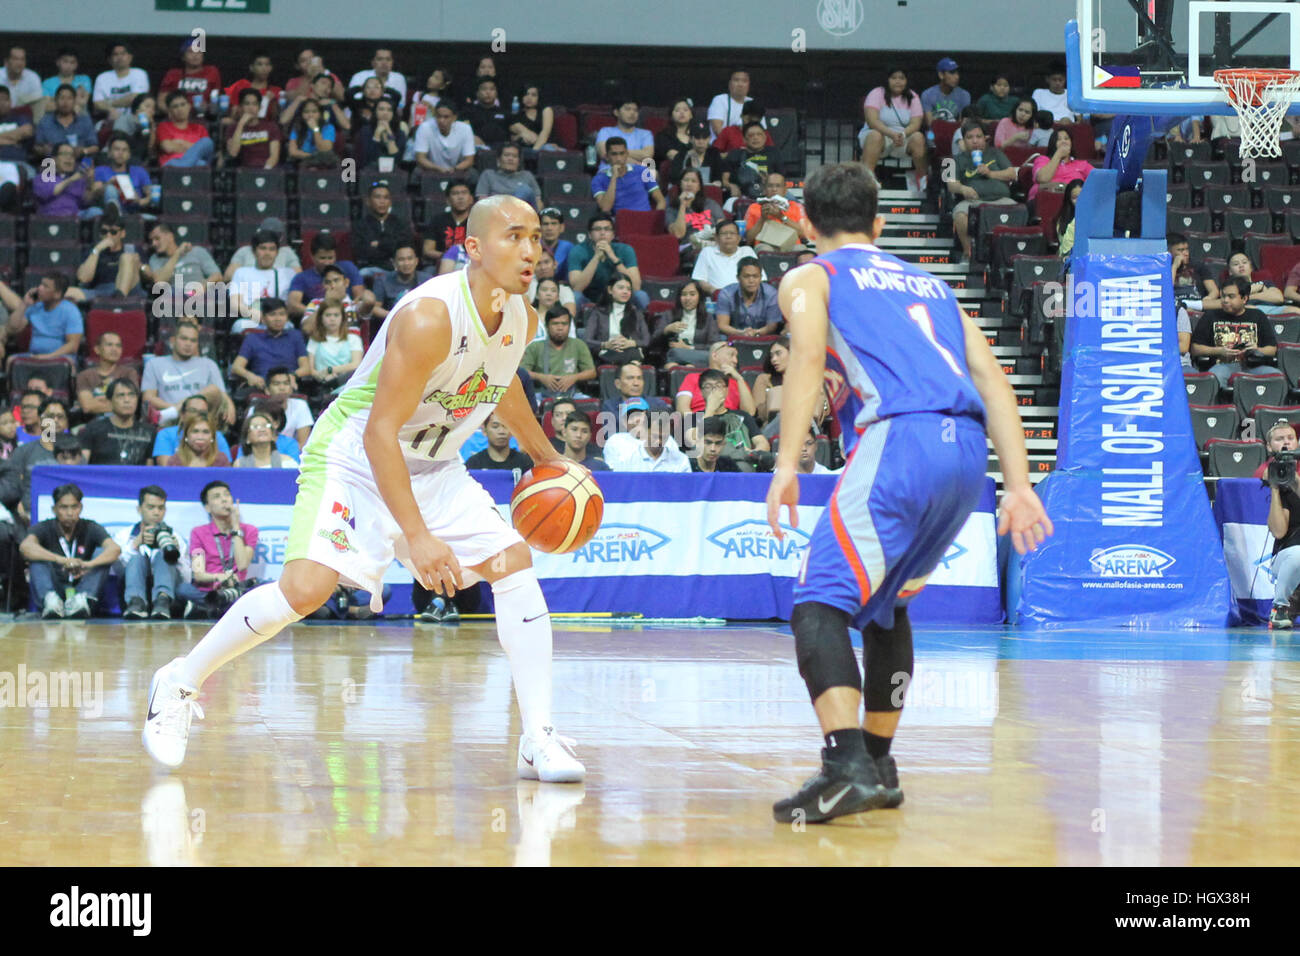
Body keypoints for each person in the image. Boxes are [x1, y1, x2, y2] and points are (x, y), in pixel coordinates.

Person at [142, 195, 588, 786]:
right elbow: (380, 432)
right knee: (304, 591)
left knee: (514, 564)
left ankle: (537, 737)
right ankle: (179, 680)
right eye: (514, 237)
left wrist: (550, 459)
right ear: (473, 248)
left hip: (434, 462)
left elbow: (498, 384)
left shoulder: (523, 315)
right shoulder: (429, 317)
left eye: (537, 237)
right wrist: (418, 538)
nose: (532, 251)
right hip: (355, 456)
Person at [761, 162, 1053, 823]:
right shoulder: (935, 286)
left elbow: (806, 357)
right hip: (966, 458)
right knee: (888, 608)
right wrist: (1019, 486)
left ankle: (844, 765)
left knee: (817, 603)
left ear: (805, 224)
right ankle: (879, 762)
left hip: (900, 440)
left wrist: (786, 463)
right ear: (881, 223)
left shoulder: (810, 276)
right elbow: (997, 385)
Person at [21, 482, 120, 619]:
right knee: (36, 557)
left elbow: (115, 549)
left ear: (80, 507)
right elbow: (25, 547)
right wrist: (60, 560)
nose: (69, 513)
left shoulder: (91, 527)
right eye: (64, 507)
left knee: (103, 555)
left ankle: (81, 600)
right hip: (54, 589)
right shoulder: (44, 527)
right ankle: (51, 602)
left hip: (82, 587)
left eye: (74, 507)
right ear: (54, 509)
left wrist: (87, 564)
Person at [174, 480, 259, 620]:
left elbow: (243, 564)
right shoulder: (198, 532)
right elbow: (198, 574)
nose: (224, 499)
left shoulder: (250, 530)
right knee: (183, 589)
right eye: (217, 497)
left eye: (227, 495)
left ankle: (208, 609)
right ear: (207, 507)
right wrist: (220, 577)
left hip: (237, 589)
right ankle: (222, 607)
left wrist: (236, 527)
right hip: (209, 591)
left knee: (263, 586)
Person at [1190, 276, 1284, 392]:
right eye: (1223, 296)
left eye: (1231, 296)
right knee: (1214, 376)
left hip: (1253, 365)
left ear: (1244, 299)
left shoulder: (1258, 316)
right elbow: (1195, 348)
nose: (1225, 300)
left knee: (1276, 376)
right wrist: (1219, 351)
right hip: (1223, 366)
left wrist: (1257, 350)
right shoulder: (1210, 316)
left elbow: (1272, 349)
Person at [141, 319, 235, 427]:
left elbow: (220, 394)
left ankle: (172, 413)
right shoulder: (155, 364)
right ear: (173, 340)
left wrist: (230, 406)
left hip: (201, 421)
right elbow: (148, 398)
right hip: (170, 422)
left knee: (213, 389)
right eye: (184, 339)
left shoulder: (209, 364)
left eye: (193, 340)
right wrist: (180, 410)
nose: (188, 344)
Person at [947, 121, 1019, 262]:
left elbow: (1012, 173)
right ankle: (968, 253)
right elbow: (951, 184)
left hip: (1001, 200)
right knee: (960, 215)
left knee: (1019, 211)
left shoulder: (996, 153)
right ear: (963, 140)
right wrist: (962, 188)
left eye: (978, 136)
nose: (975, 141)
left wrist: (991, 174)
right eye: (970, 137)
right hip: (972, 202)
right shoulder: (954, 160)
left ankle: (1010, 256)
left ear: (985, 138)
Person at [118, 485, 185, 620]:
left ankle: (162, 600)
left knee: (162, 556)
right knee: (137, 558)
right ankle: (136, 601)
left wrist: (176, 556)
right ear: (139, 509)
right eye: (151, 507)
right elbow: (117, 570)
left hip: (168, 596)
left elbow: (186, 577)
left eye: (160, 508)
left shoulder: (175, 537)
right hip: (132, 592)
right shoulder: (125, 535)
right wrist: (135, 545)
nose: (156, 512)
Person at [859, 68, 927, 198]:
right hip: (879, 136)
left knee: (918, 137)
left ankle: (923, 180)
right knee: (875, 135)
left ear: (906, 81)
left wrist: (902, 134)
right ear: (887, 80)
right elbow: (872, 120)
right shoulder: (876, 93)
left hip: (902, 137)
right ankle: (867, 180)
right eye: (894, 78)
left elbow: (916, 123)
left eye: (901, 78)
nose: (898, 81)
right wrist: (891, 134)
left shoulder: (913, 96)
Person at [567, 213, 648, 309]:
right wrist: (596, 257)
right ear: (589, 235)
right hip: (589, 298)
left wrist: (613, 257)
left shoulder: (625, 250)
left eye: (607, 229)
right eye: (597, 229)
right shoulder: (578, 250)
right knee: (575, 296)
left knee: (641, 295)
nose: (602, 233)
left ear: (613, 234)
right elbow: (577, 288)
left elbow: (635, 286)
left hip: (619, 297)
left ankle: (644, 323)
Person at [1, 271, 83, 363]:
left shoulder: (71, 311)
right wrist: (24, 304)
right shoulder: (35, 306)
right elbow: (12, 329)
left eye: (45, 286)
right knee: (11, 361)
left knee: (70, 364)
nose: (39, 288)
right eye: (40, 284)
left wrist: (47, 357)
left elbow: (73, 345)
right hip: (35, 356)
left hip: (60, 358)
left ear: (57, 294)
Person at [231, 301, 310, 391]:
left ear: (287, 318)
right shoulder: (252, 338)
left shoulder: (295, 336)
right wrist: (251, 376)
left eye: (282, 314)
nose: (278, 319)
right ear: (263, 319)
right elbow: (236, 367)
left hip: (288, 385)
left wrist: (292, 376)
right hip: (261, 385)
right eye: (272, 315)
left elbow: (306, 368)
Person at [522, 306, 597, 399]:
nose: (560, 328)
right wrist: (542, 377)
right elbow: (523, 372)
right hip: (542, 395)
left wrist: (574, 377)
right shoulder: (535, 346)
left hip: (572, 394)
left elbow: (591, 372)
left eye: (564, 324)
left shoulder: (579, 345)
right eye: (555, 323)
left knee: (588, 402)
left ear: (570, 326)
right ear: (547, 326)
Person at [80, 377, 154, 465]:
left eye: (131, 395)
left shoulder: (149, 431)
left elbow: (150, 470)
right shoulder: (93, 429)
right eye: (121, 395)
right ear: (109, 402)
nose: (127, 400)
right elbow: (82, 466)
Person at [229, 232, 298, 325]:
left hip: (281, 321)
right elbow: (235, 303)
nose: (267, 253)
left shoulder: (289, 273)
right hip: (251, 320)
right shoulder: (241, 272)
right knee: (239, 326)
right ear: (254, 251)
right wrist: (257, 315)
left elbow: (293, 303)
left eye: (272, 249)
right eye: (263, 248)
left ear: (277, 252)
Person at [1201, 251, 1298, 316]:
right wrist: (1258, 290)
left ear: (1250, 267)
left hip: (1271, 310)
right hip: (1247, 311)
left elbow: (1278, 298)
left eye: (1244, 262)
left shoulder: (1264, 282)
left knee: (1296, 311)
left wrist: (1244, 297)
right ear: (1230, 271)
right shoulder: (1229, 287)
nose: (1241, 265)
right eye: (1236, 264)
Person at [675, 340, 757, 416]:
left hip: (728, 423)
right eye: (731, 355)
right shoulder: (693, 378)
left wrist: (740, 379)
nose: (735, 361)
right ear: (714, 356)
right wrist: (697, 426)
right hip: (700, 419)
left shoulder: (739, 382)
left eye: (736, 357)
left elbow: (750, 413)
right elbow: (682, 408)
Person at [583, 275, 651, 366]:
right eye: (621, 288)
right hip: (607, 354)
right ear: (610, 290)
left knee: (631, 351)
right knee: (633, 356)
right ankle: (632, 364)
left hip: (630, 349)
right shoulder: (598, 313)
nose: (625, 292)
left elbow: (647, 340)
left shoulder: (636, 314)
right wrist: (606, 345)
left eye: (628, 289)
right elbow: (587, 340)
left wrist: (632, 343)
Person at [602, 403, 690, 473]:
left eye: (663, 437)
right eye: (655, 436)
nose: (659, 441)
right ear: (646, 430)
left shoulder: (681, 461)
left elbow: (687, 493)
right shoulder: (627, 460)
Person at [353, 180, 416, 275]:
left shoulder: (401, 223)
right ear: (368, 201)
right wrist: (390, 245)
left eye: (386, 198)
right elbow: (362, 252)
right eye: (377, 197)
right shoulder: (360, 225)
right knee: (362, 273)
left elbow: (405, 246)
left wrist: (378, 244)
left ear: (390, 202)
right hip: (371, 268)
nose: (382, 201)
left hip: (399, 267)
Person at [653, 279, 721, 367]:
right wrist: (666, 330)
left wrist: (690, 348)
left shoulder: (708, 318)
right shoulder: (669, 315)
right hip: (674, 359)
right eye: (684, 294)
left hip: (696, 358)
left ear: (699, 296)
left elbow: (714, 345)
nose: (687, 298)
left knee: (681, 358)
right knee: (673, 362)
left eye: (692, 294)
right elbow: (652, 342)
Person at [151, 394, 232, 464]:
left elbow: (228, 473)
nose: (197, 415)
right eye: (193, 410)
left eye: (202, 412)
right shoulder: (166, 434)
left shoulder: (217, 436)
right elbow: (167, 470)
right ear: (182, 415)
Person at [592, 137, 665, 214]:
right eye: (614, 154)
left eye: (622, 153)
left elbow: (661, 201)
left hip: (645, 219)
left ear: (627, 154)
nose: (619, 158)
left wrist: (655, 219)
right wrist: (614, 178)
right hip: (621, 222)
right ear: (607, 156)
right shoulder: (598, 179)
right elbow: (605, 208)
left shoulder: (643, 171)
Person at [691, 219, 763, 296]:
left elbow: (761, 279)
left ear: (739, 238)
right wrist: (717, 292)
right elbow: (701, 280)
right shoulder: (707, 252)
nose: (728, 236)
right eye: (724, 233)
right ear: (716, 238)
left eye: (732, 233)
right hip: (718, 298)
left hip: (746, 297)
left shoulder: (747, 251)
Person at [667, 169, 727, 260]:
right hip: (691, 248)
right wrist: (683, 205)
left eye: (693, 181)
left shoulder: (711, 204)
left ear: (699, 186)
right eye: (686, 180)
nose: (689, 184)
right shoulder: (672, 209)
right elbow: (678, 234)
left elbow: (723, 229)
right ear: (680, 184)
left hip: (713, 243)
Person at [31, 142, 103, 218]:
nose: (69, 158)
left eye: (72, 155)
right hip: (50, 218)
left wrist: (91, 184)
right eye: (65, 154)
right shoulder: (43, 177)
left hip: (74, 218)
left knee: (96, 211)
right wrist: (71, 180)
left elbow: (85, 202)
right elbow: (52, 191)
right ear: (54, 159)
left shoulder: (79, 180)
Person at [744, 172, 811, 251]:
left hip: (791, 245)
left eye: (778, 186)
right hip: (765, 245)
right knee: (764, 249)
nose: (774, 189)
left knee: (802, 250)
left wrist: (781, 216)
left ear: (785, 190)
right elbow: (748, 240)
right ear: (765, 189)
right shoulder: (753, 207)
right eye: (770, 186)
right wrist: (762, 218)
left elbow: (804, 234)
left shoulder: (796, 207)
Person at [716, 258, 782, 337]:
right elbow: (722, 325)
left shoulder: (772, 294)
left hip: (763, 339)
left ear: (761, 278)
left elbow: (771, 327)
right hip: (733, 338)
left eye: (755, 276)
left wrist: (755, 332)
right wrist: (740, 333)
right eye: (746, 276)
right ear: (738, 278)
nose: (751, 280)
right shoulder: (726, 294)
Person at [94, 133, 155, 214]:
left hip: (132, 213)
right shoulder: (99, 171)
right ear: (109, 153)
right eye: (117, 149)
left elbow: (150, 197)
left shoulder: (140, 172)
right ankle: (114, 216)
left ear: (129, 155)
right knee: (110, 190)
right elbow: (91, 196)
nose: (120, 153)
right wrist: (109, 184)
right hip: (106, 214)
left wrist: (139, 201)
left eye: (124, 150)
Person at [1028, 128, 1093, 203]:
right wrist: (1058, 155)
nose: (1063, 141)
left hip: (1073, 204)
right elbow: (1042, 178)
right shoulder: (1042, 160)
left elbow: (1099, 179)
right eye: (1059, 139)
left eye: (1066, 138)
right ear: (1053, 143)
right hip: (1044, 202)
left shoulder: (1082, 164)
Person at [413, 102, 476, 178]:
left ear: (454, 118)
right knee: (417, 172)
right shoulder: (425, 127)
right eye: (438, 116)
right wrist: (438, 169)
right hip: (431, 169)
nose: (441, 120)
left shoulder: (465, 129)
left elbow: (469, 160)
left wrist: (454, 169)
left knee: (473, 174)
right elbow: (420, 158)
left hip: (457, 170)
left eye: (446, 117)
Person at [34, 84, 97, 160]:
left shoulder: (85, 121)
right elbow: (37, 147)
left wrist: (83, 151)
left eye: (69, 98)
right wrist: (43, 150)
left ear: (75, 101)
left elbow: (95, 147)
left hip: (79, 162)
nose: (65, 102)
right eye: (62, 98)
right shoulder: (45, 121)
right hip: (52, 163)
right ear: (56, 101)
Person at [372, 244, 434, 321]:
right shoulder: (382, 280)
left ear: (416, 261)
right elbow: (375, 308)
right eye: (401, 259)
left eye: (410, 258)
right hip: (393, 323)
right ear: (394, 262)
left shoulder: (427, 279)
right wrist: (393, 316)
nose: (406, 263)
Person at [92, 41, 150, 121]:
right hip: (110, 120)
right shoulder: (102, 77)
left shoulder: (140, 73)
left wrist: (109, 103)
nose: (119, 57)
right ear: (109, 59)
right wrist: (110, 109)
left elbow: (136, 99)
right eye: (115, 54)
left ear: (130, 57)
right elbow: (97, 104)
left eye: (123, 54)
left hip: (136, 119)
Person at [422, 179, 474, 268]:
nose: (460, 197)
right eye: (455, 193)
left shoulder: (477, 221)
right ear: (448, 200)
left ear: (471, 199)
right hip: (441, 263)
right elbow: (427, 250)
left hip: (471, 264)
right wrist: (449, 257)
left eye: (464, 193)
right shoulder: (437, 220)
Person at [226, 88, 282, 169]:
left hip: (267, 170)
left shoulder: (271, 127)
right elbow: (233, 153)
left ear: (260, 107)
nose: (251, 108)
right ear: (241, 107)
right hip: (243, 172)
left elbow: (274, 156)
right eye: (247, 104)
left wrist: (265, 171)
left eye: (254, 104)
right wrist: (241, 124)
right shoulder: (233, 128)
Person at [156, 92, 215, 168]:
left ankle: (184, 165)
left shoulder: (200, 128)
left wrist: (180, 143)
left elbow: (205, 150)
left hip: (193, 167)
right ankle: (185, 165)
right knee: (200, 163)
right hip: (173, 166)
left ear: (189, 106)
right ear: (169, 111)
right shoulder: (163, 126)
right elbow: (168, 148)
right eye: (175, 106)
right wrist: (195, 147)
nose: (180, 109)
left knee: (207, 142)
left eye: (183, 104)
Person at [599, 361, 669, 423]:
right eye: (630, 378)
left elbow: (662, 433)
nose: (636, 383)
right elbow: (612, 435)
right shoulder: (609, 407)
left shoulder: (658, 404)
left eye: (639, 378)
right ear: (618, 384)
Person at [465, 413, 534, 476]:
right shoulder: (473, 464)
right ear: (484, 430)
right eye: (495, 426)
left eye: (506, 426)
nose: (501, 431)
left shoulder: (525, 463)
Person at [475, 142, 541, 207]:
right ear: (498, 160)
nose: (510, 159)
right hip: (496, 212)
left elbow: (538, 203)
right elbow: (482, 203)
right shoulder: (488, 175)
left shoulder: (527, 176)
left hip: (523, 214)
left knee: (525, 190)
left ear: (519, 162)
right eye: (506, 155)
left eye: (515, 156)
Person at [159, 36, 222, 100]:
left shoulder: (211, 71)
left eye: (198, 51)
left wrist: (208, 107)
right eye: (190, 52)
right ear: (183, 57)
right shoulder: (173, 74)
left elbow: (217, 97)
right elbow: (161, 101)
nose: (195, 55)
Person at [352, 98, 406, 169]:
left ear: (393, 113)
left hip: (392, 174)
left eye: (389, 110)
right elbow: (367, 159)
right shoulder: (365, 131)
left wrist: (389, 132)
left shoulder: (400, 133)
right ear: (375, 112)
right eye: (381, 109)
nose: (385, 113)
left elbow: (397, 160)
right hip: (367, 172)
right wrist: (377, 135)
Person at [162, 413, 231, 467]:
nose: (200, 437)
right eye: (195, 431)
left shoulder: (221, 460)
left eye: (206, 432)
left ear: (212, 437)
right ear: (186, 435)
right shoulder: (175, 461)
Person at [286, 98, 339, 167]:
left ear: (320, 114)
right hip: (302, 161)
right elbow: (293, 152)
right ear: (301, 114)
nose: (310, 115)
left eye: (314, 111)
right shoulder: (297, 127)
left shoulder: (328, 127)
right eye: (306, 112)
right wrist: (312, 157)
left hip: (324, 164)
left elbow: (325, 150)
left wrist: (315, 129)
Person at [670, 121, 725, 186]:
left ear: (709, 139)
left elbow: (718, 179)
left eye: (704, 138)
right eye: (697, 137)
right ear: (690, 139)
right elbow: (674, 179)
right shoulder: (682, 155)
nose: (701, 141)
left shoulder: (714, 154)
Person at [920, 57, 971, 127]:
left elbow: (963, 125)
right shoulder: (927, 94)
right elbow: (930, 124)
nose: (957, 77)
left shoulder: (964, 95)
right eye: (952, 73)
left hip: (955, 134)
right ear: (941, 75)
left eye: (957, 73)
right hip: (934, 134)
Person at [507, 83, 554, 152]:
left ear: (538, 97)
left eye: (533, 95)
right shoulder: (517, 114)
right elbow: (512, 138)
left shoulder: (546, 110)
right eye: (526, 94)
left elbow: (545, 133)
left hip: (545, 146)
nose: (529, 98)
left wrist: (534, 152)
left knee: (548, 148)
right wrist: (520, 135)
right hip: (524, 148)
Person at [708, 70, 754, 139]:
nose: (740, 84)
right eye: (736, 80)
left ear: (749, 85)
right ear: (729, 84)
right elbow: (718, 131)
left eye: (744, 81)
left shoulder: (753, 102)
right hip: (723, 146)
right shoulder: (720, 100)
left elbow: (762, 131)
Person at [753, 335, 788, 423]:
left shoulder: (808, 378)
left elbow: (825, 409)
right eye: (771, 356)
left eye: (778, 353)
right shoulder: (764, 379)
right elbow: (760, 413)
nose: (773, 359)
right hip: (774, 427)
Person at [655, 98, 696, 166]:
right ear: (671, 116)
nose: (682, 112)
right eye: (677, 110)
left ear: (691, 115)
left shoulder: (697, 134)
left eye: (685, 110)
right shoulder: (664, 136)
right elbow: (672, 155)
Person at [537, 206, 573, 278]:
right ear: (538, 228)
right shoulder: (531, 247)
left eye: (554, 223)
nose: (549, 228)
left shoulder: (568, 248)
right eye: (545, 224)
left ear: (562, 227)